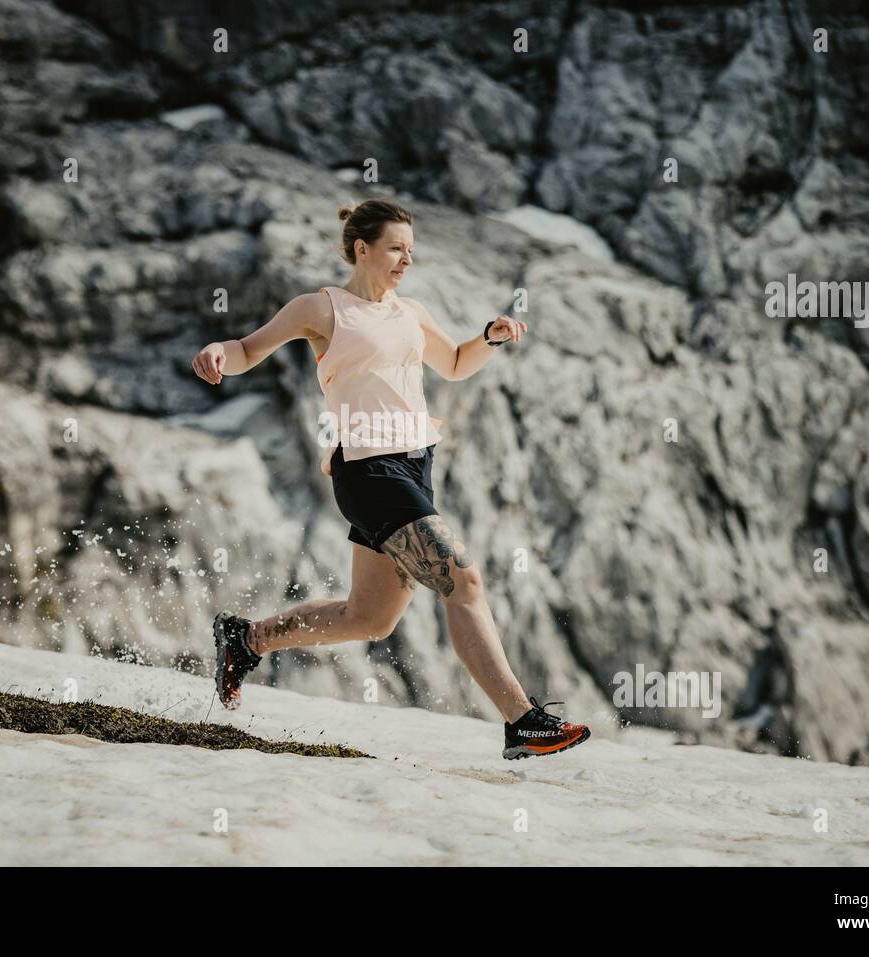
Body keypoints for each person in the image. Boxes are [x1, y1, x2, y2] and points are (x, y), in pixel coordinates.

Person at [190, 198, 590, 759]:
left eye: (411, 250)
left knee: (369, 618)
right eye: (396, 248)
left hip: (413, 468)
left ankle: (246, 639)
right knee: (463, 578)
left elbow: (452, 363)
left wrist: (489, 340)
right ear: (362, 249)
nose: (406, 260)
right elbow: (246, 350)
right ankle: (521, 721)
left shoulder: (410, 312)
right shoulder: (323, 309)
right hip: (367, 469)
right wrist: (216, 352)